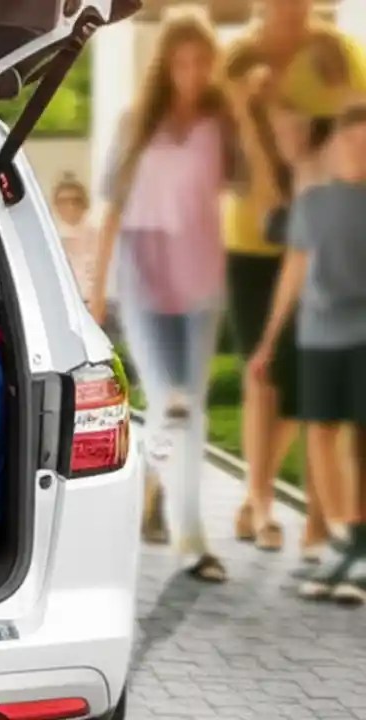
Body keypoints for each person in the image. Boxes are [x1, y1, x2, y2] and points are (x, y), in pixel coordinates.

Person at [91, 8, 232, 582]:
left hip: (200, 282)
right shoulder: (134, 126)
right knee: (171, 398)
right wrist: (94, 298)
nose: (193, 72)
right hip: (143, 277)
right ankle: (173, 518)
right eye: (182, 62)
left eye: (203, 62)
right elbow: (111, 212)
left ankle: (184, 528)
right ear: (166, 66)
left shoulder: (220, 127)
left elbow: (265, 184)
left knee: (186, 411)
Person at [220, 0, 366, 556]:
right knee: (266, 376)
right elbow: (225, 154)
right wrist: (244, 110)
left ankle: (314, 522)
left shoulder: (337, 53)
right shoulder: (237, 59)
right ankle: (259, 501)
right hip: (255, 241)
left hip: (324, 237)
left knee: (308, 380)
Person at [248, 103, 366, 606]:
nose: (355, 152)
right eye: (349, 143)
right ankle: (346, 538)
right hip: (318, 336)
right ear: (335, 147)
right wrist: (269, 341)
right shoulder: (313, 203)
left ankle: (357, 548)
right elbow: (294, 273)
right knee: (319, 432)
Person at [52, 173, 100, 308]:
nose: (70, 206)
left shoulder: (99, 238)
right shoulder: (49, 239)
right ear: (56, 205)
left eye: (76, 200)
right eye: (64, 201)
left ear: (85, 203)